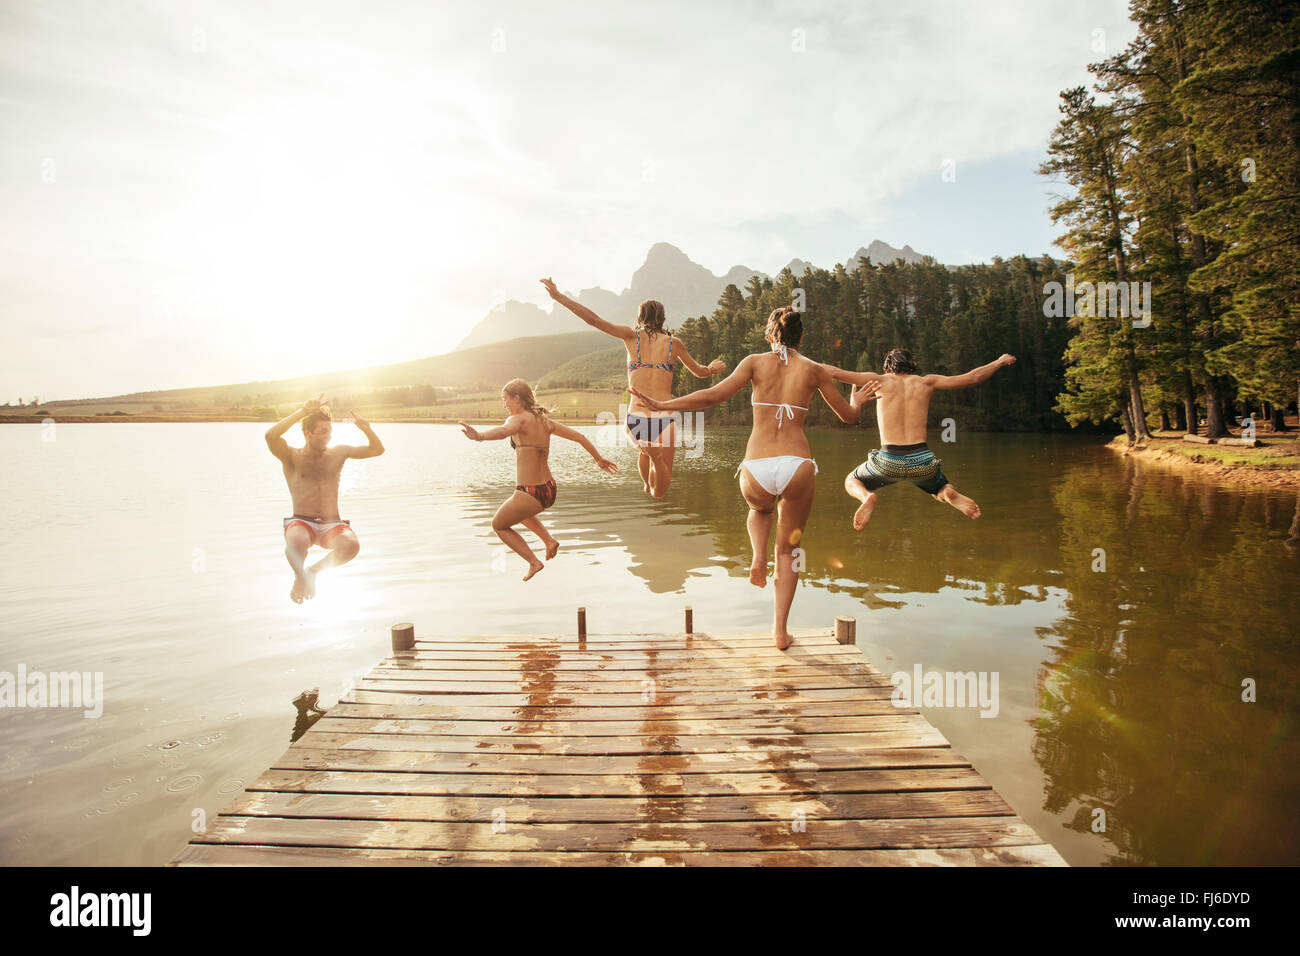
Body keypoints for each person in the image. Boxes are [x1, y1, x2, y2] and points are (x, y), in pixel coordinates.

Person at [631, 306, 874, 649]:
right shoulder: (814, 370)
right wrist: (857, 398)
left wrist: (662, 405)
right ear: (801, 336)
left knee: (760, 510)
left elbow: (713, 396)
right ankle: (779, 632)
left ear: (768, 335)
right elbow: (848, 417)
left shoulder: (754, 362)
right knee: (789, 552)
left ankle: (758, 555)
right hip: (796, 464)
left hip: (757, 466)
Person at [539, 277, 727, 497]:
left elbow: (594, 320)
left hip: (637, 416)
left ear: (640, 317)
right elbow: (699, 371)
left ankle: (648, 472)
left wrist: (559, 297)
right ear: (663, 319)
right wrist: (711, 368)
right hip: (664, 416)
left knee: (644, 451)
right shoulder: (674, 344)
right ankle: (653, 470)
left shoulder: (631, 336)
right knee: (660, 491)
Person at [825, 348, 1017, 530]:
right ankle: (947, 493)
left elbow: (833, 372)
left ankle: (866, 497)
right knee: (939, 489)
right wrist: (999, 362)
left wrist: (795, 357)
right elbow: (973, 377)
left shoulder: (878, 380)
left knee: (852, 480)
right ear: (912, 366)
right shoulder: (927, 382)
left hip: (888, 461)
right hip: (922, 461)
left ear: (886, 368)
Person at [459, 378, 618, 581]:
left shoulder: (518, 419)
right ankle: (548, 541)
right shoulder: (545, 422)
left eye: (505, 399)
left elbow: (503, 431)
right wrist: (598, 458)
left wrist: (480, 436)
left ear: (516, 398)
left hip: (529, 492)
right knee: (517, 511)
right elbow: (579, 436)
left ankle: (534, 562)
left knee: (498, 525)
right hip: (549, 490)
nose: (504, 404)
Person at [265, 395, 385, 603]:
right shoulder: (291, 456)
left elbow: (377, 450)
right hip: (302, 522)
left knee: (351, 545)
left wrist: (367, 429)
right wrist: (302, 411)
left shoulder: (339, 453)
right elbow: (270, 436)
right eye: (323, 433)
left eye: (330, 432)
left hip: (332, 524)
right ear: (308, 433)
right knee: (296, 540)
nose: (328, 437)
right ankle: (300, 576)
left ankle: (312, 572)